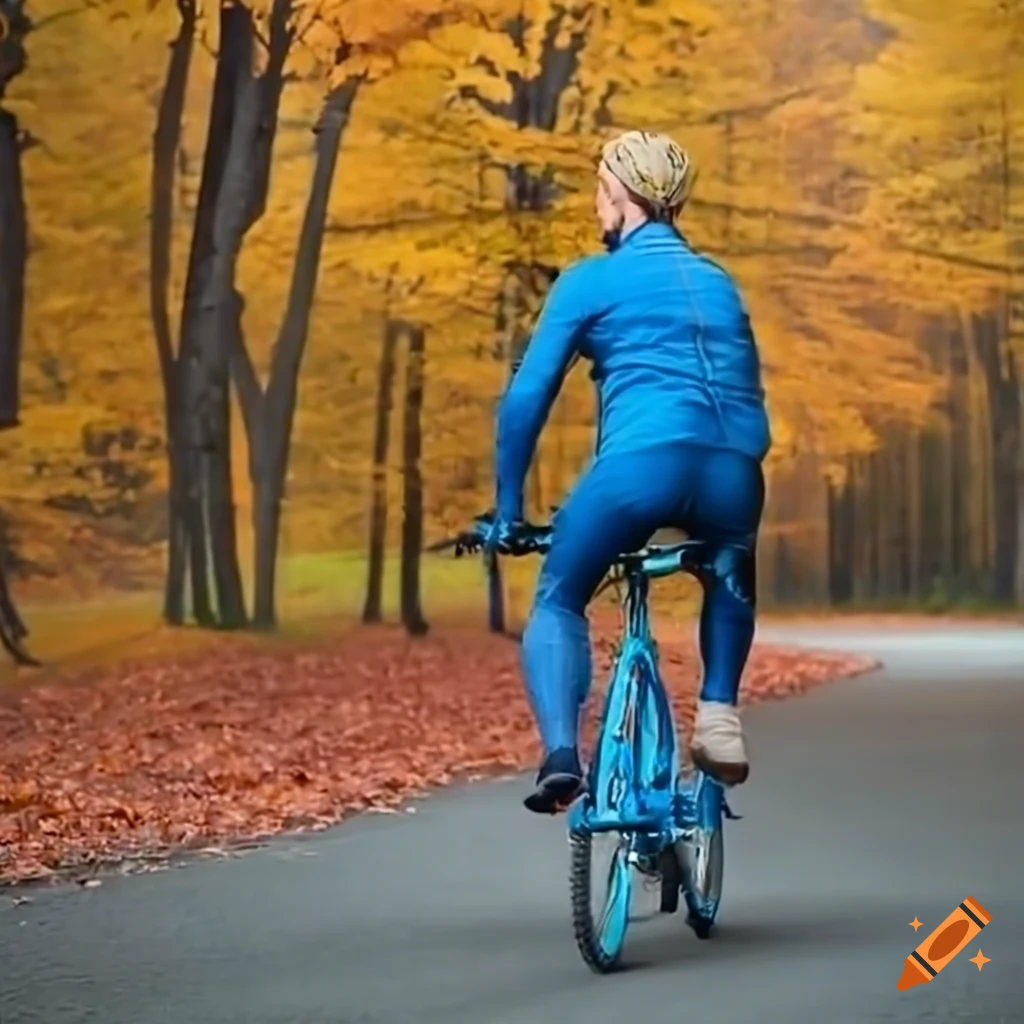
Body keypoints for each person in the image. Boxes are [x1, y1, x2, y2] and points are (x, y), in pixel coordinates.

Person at [490, 129, 771, 814]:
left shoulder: (590, 281)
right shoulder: (717, 282)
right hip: (735, 472)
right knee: (728, 566)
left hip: (640, 467)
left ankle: (562, 757)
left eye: (600, 190)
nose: (597, 204)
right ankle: (718, 714)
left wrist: (506, 508)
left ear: (618, 195)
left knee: (560, 598)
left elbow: (527, 397)